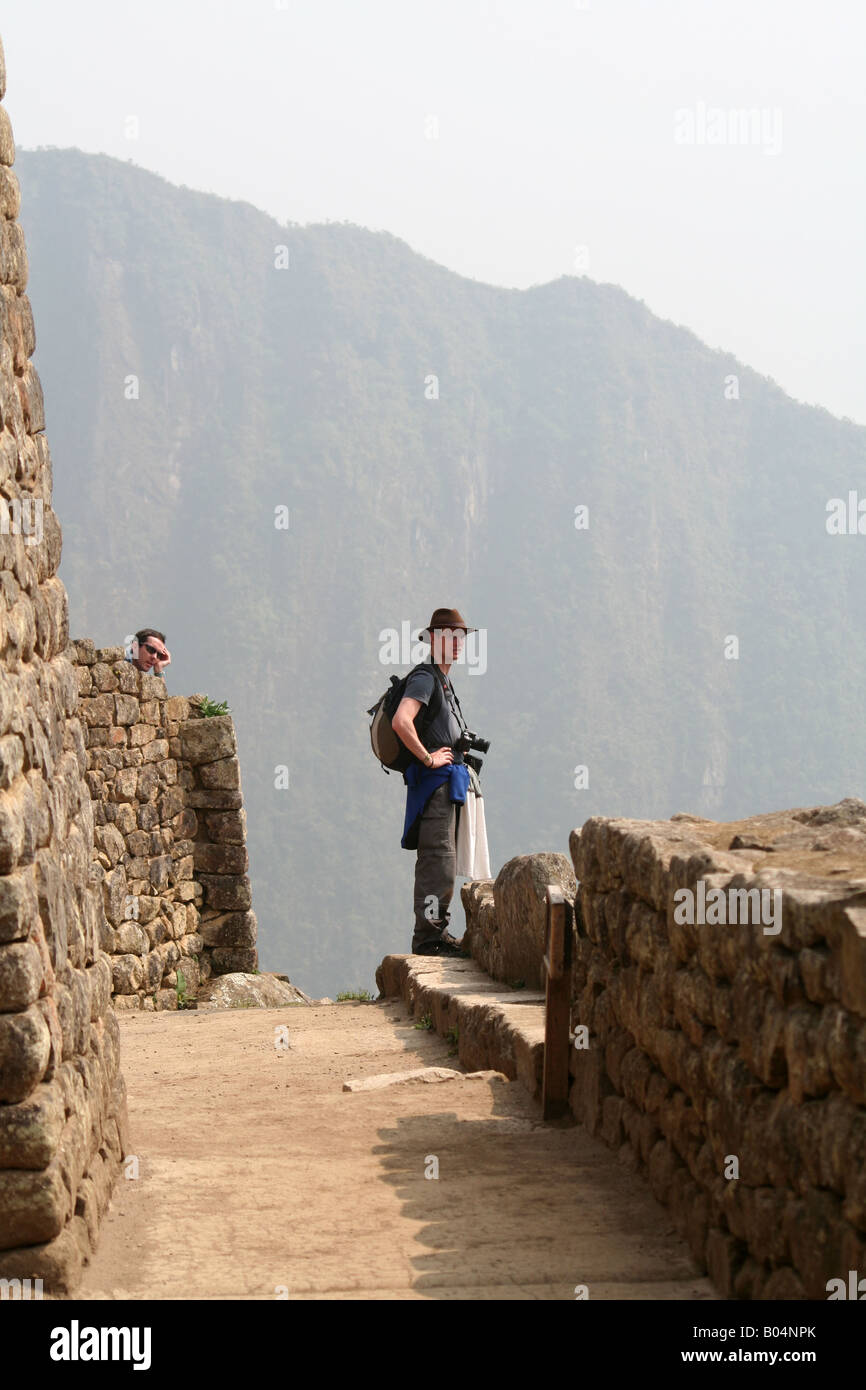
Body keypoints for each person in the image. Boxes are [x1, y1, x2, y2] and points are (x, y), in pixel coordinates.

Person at [392, 607, 476, 958]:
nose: (456, 643)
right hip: (434, 788)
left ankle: (436, 933)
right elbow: (401, 720)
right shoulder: (426, 677)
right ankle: (429, 940)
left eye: (460, 637)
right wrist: (428, 758)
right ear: (433, 640)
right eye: (448, 637)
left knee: (443, 860)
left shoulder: (443, 680)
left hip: (446, 787)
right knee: (437, 861)